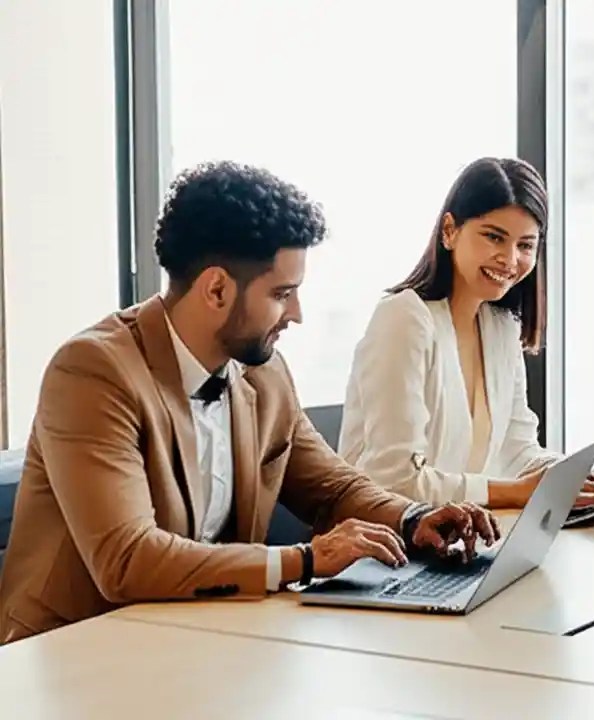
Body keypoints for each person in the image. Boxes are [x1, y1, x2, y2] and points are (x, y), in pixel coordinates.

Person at [0, 161, 499, 645]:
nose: (297, 314)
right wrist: (303, 560)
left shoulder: (262, 371)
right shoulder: (92, 372)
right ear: (216, 288)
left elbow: (331, 487)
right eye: (283, 293)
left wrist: (414, 519)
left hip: (197, 640)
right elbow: (127, 560)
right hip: (70, 655)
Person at [339, 157, 594, 510]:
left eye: (525, 245)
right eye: (494, 237)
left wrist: (580, 475)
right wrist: (515, 492)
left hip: (456, 541)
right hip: (382, 548)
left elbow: (517, 452)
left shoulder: (500, 327)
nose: (510, 259)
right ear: (449, 231)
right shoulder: (404, 318)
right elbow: (393, 480)